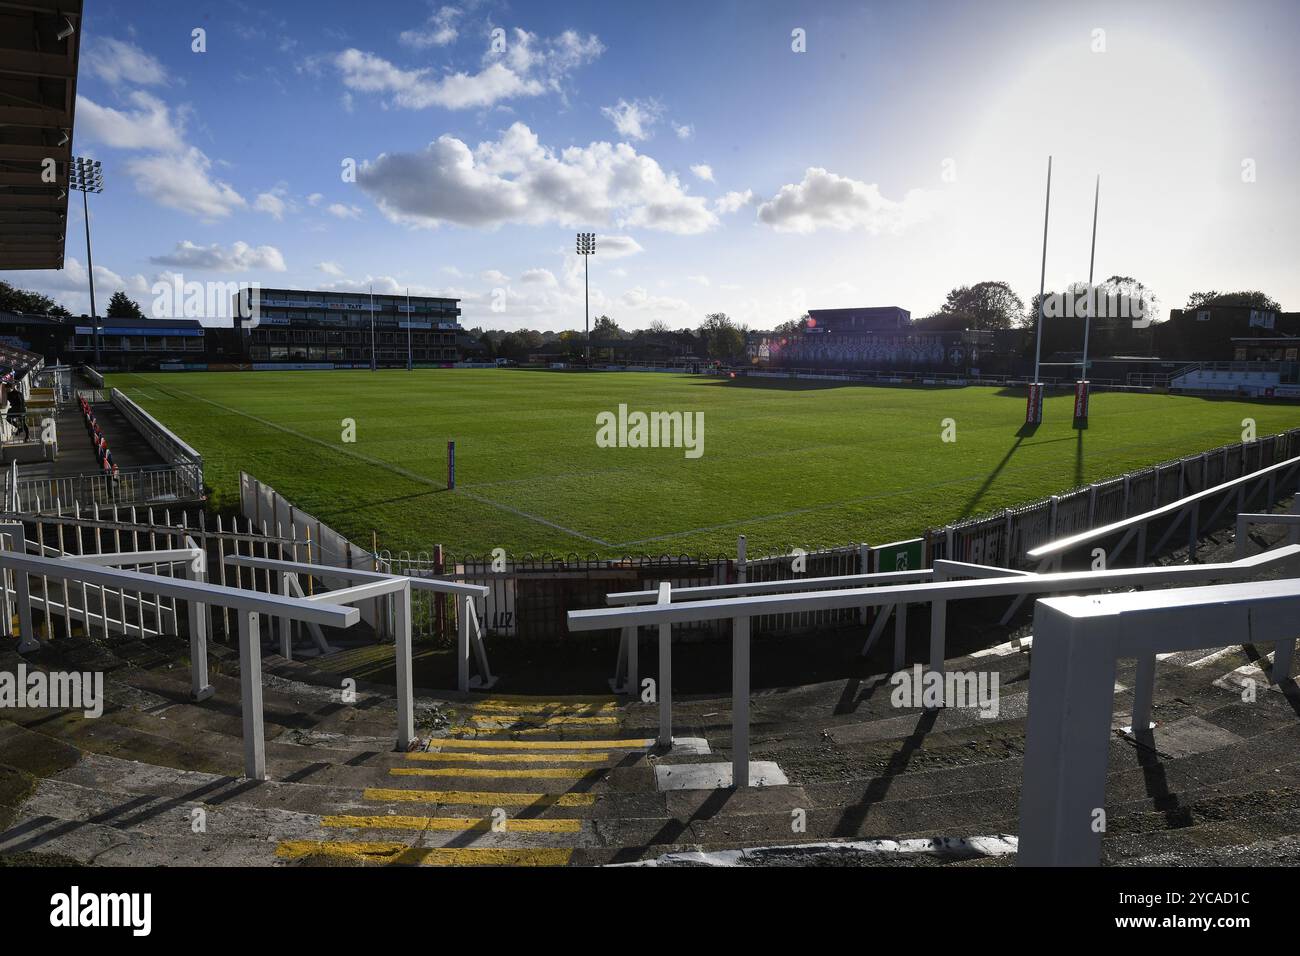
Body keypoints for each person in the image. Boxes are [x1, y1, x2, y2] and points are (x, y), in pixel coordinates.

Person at [2, 373, 27, 441]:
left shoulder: (9, 394)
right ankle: (26, 436)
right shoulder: (19, 393)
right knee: (23, 423)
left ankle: (19, 428)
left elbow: (4, 402)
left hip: (16, 409)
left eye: (7, 389)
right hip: (22, 409)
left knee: (8, 418)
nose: (7, 390)